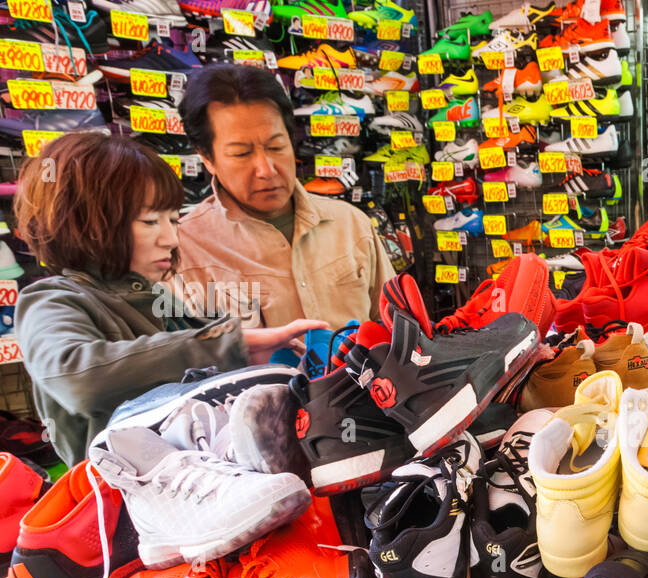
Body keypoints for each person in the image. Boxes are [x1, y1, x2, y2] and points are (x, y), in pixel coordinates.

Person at [13, 133, 322, 465]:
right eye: (149, 221)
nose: (171, 238)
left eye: (173, 220)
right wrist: (228, 344)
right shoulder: (50, 300)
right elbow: (76, 378)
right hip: (122, 503)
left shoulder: (154, 295)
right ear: (83, 221)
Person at [177, 64, 395, 330]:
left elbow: (394, 329)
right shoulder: (185, 251)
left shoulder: (350, 225)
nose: (266, 170)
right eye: (242, 153)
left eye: (276, 146)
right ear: (207, 158)